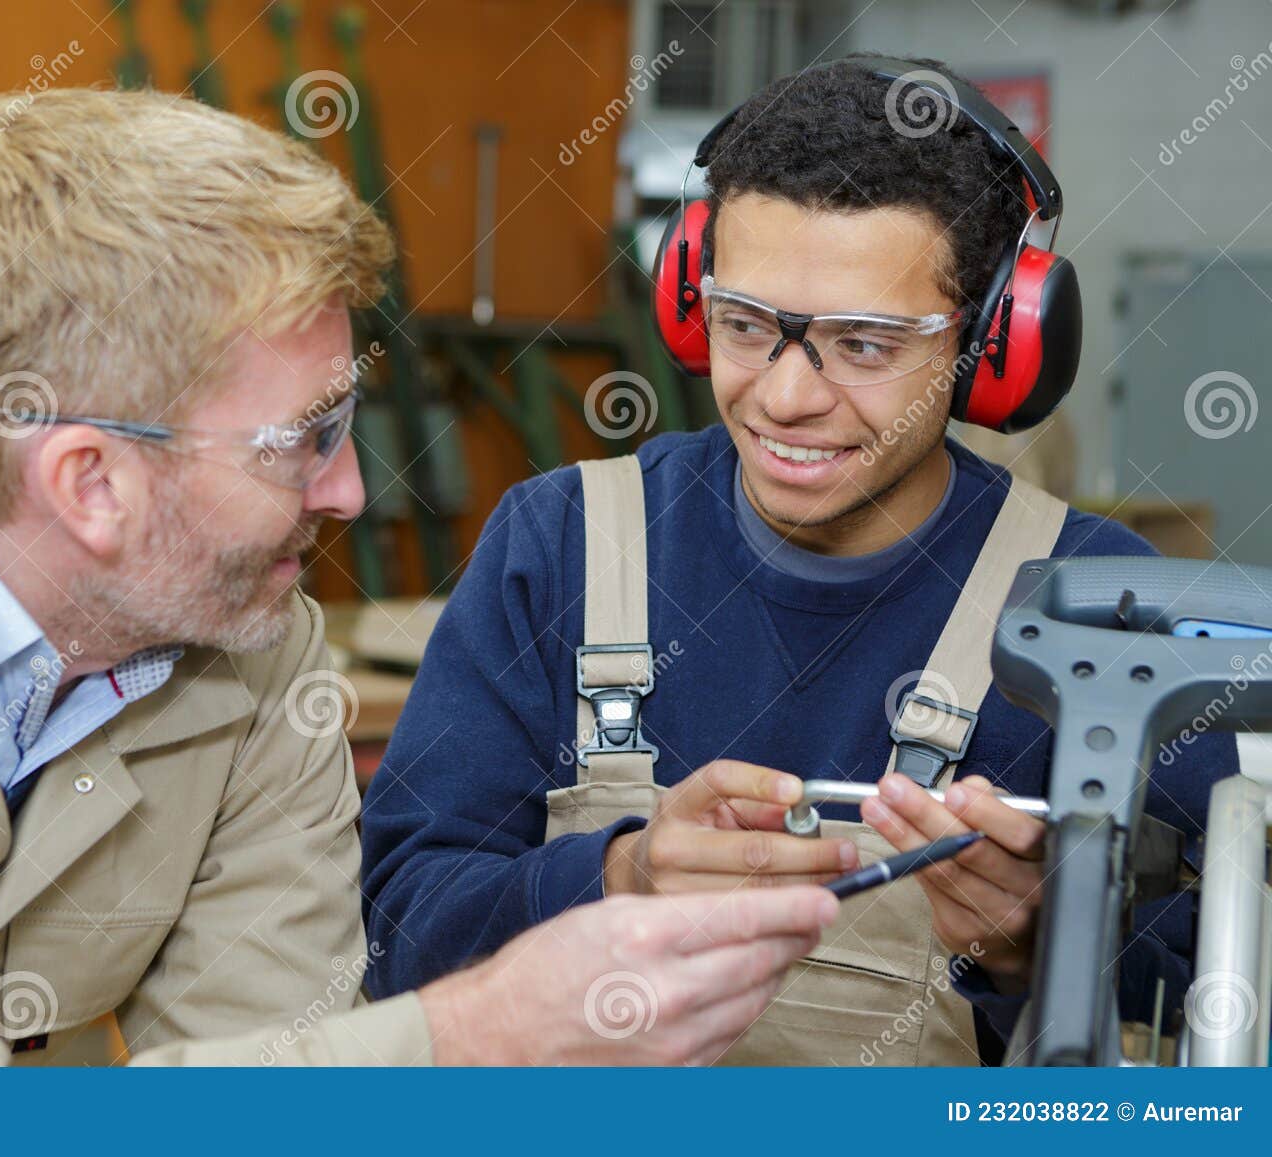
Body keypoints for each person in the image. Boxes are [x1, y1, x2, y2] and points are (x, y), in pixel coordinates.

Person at [0, 88, 837, 1066]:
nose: (344, 492)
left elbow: (274, 1071)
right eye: (303, 439)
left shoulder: (242, 630)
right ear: (89, 483)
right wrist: (472, 1032)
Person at [360, 55, 1237, 1065]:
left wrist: (1043, 944)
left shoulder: (1104, 614)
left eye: (862, 345)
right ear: (690, 303)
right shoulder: (557, 544)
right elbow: (397, 935)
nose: (783, 397)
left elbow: (1217, 1010)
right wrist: (617, 878)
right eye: (742, 326)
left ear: (993, 343)